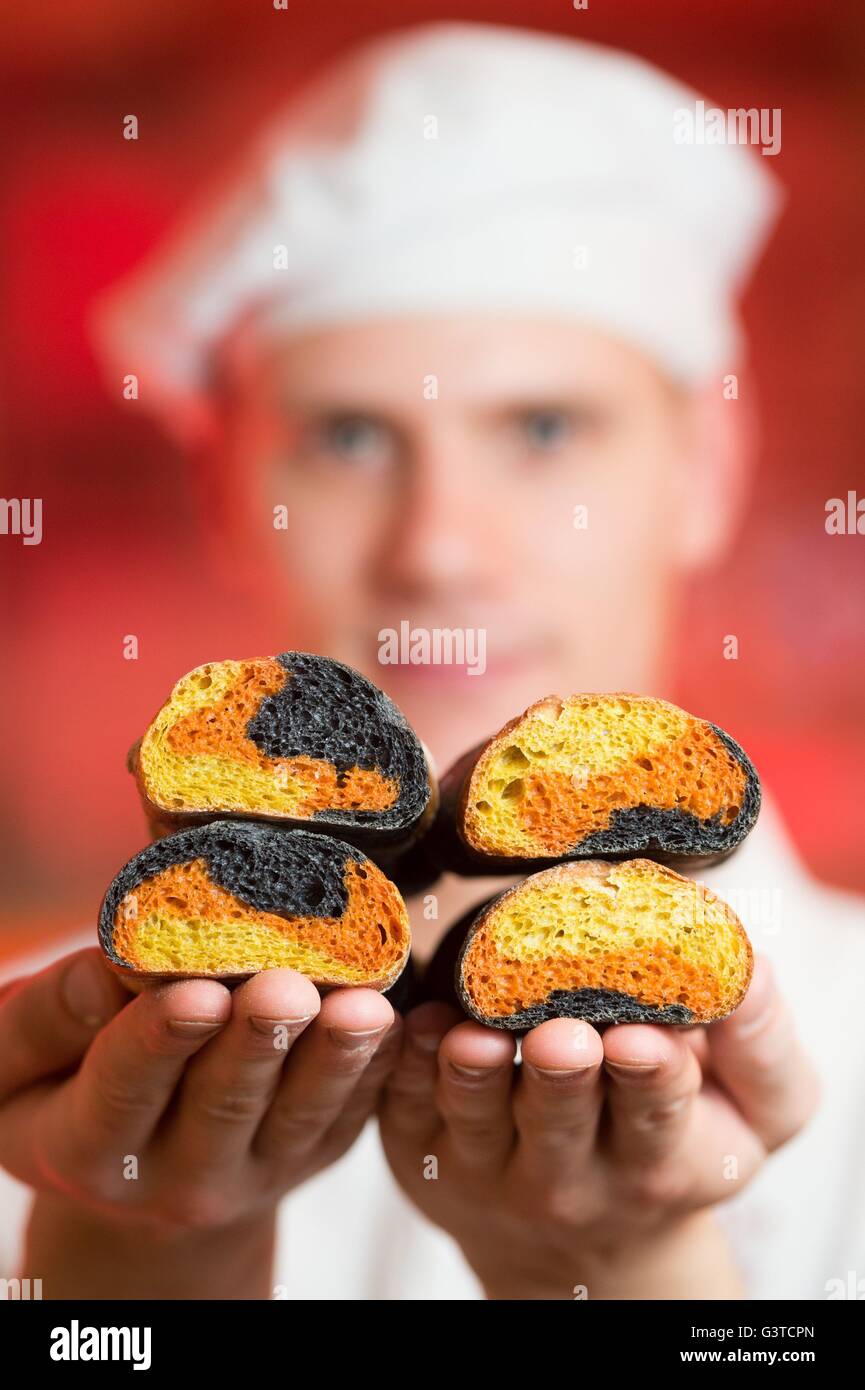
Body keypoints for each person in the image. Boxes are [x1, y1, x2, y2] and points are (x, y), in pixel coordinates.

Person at [1, 22, 863, 1301]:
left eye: (544, 428)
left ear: (707, 467)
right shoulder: (55, 1080)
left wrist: (630, 1277)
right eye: (349, 439)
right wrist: (132, 1257)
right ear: (227, 491)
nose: (441, 551)